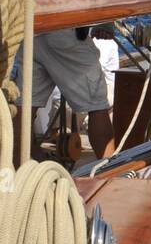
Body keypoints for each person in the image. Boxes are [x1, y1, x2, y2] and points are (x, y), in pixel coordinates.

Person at [30, 26, 114, 159]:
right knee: (98, 106)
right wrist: (105, 23)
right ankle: (110, 171)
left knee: (24, 108)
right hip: (64, 30)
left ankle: (19, 169)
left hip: (30, 31)